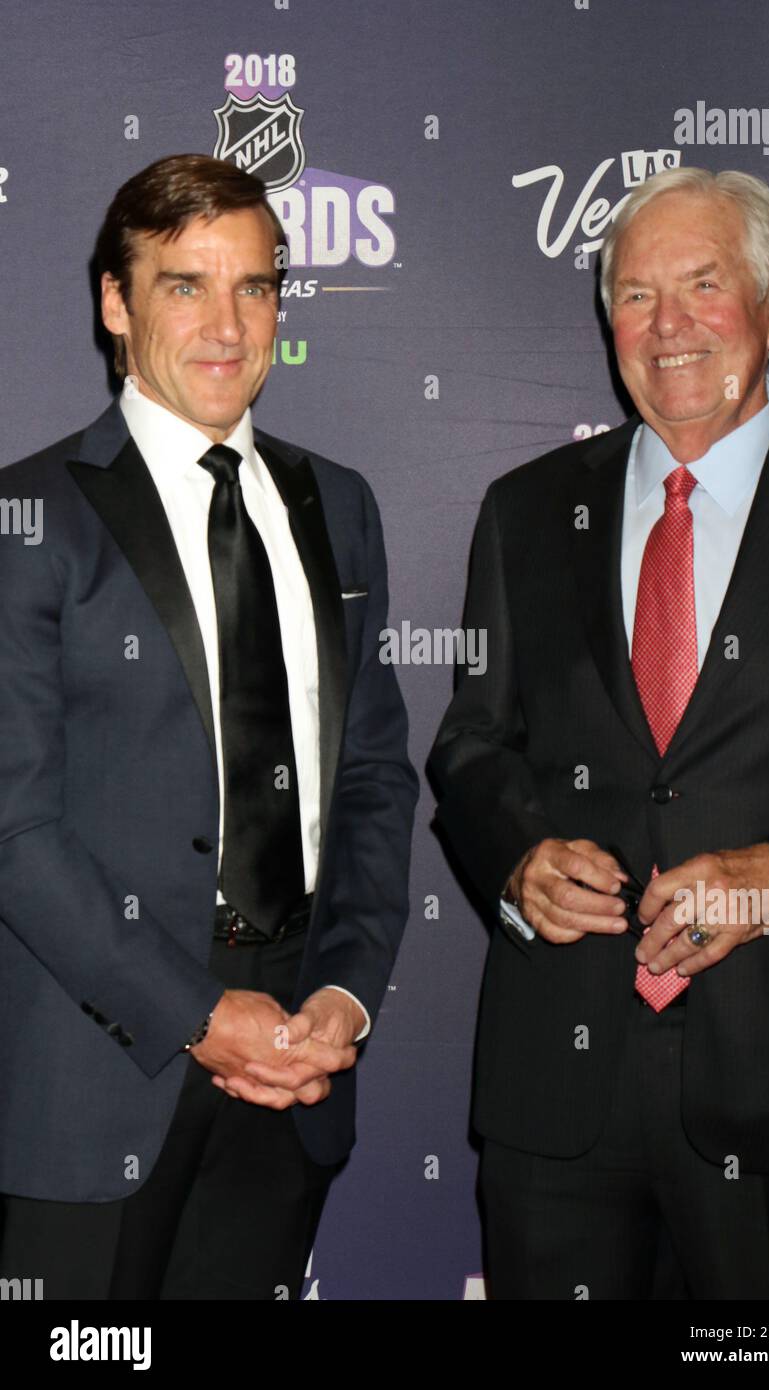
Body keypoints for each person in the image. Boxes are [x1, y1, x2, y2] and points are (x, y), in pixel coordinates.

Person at [429, 166, 769, 1300]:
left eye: (701, 285)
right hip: (554, 1105)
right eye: (633, 294)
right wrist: (519, 856)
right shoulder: (525, 511)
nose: (665, 326)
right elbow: (471, 746)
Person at [0, 153, 418, 1300]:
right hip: (96, 1081)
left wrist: (342, 996)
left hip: (293, 1072)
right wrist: (195, 1013)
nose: (228, 325)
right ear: (115, 305)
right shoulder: (29, 518)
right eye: (185, 285)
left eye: (256, 286)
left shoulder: (341, 505)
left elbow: (376, 777)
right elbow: (14, 831)